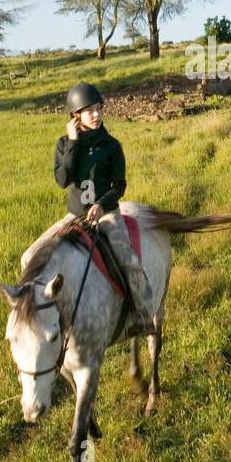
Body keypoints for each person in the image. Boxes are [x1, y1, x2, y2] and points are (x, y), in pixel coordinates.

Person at [43, 82, 156, 337]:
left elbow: (120, 186)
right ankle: (37, 312)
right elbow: (62, 180)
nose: (96, 114)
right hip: (75, 215)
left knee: (128, 260)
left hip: (106, 214)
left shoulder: (112, 146)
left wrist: (101, 204)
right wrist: (73, 143)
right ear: (75, 116)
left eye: (98, 108)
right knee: (29, 257)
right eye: (89, 110)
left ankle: (144, 315)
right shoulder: (64, 144)